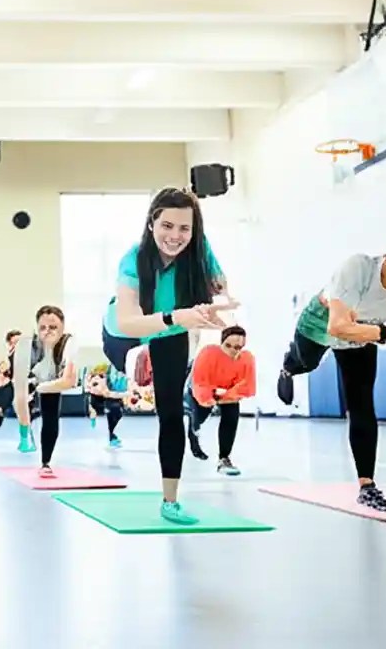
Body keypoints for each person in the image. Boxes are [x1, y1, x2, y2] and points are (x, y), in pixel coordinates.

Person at [274, 223, 386, 512]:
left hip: (364, 332)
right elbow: (336, 326)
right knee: (306, 363)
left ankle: (367, 486)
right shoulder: (359, 267)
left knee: (361, 402)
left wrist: (380, 333)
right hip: (319, 323)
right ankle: (288, 368)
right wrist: (380, 332)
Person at [104, 187, 235, 525]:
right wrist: (177, 318)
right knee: (136, 357)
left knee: (171, 412)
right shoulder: (133, 258)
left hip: (171, 332)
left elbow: (221, 289)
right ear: (151, 224)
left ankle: (170, 501)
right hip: (124, 335)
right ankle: (137, 363)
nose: (175, 236)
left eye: (184, 229)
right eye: (167, 226)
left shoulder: (199, 251)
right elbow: (128, 321)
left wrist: (215, 304)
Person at [12, 306, 79, 477]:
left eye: (53, 327)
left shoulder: (68, 343)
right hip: (30, 377)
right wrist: (24, 430)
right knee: (21, 401)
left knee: (50, 416)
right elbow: (19, 389)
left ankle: (45, 462)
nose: (48, 332)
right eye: (43, 328)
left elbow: (69, 381)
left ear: (63, 327)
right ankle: (25, 432)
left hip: (51, 381)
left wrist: (41, 388)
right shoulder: (27, 345)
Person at [184, 325, 256, 475]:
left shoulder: (247, 359)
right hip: (202, 389)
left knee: (231, 415)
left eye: (238, 347)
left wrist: (228, 395)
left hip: (226, 392)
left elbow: (247, 385)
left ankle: (224, 458)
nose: (232, 351)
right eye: (228, 346)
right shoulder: (208, 353)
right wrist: (211, 396)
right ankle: (193, 432)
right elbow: (200, 383)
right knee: (199, 417)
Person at [83, 362, 131, 448]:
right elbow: (107, 393)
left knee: (117, 412)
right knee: (101, 409)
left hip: (111, 393)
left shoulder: (120, 373)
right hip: (100, 395)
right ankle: (111, 435)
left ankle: (112, 436)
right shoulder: (101, 375)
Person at [0, 329, 21, 432]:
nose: (17, 345)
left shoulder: (26, 354)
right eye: (15, 342)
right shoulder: (5, 356)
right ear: (9, 343)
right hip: (4, 379)